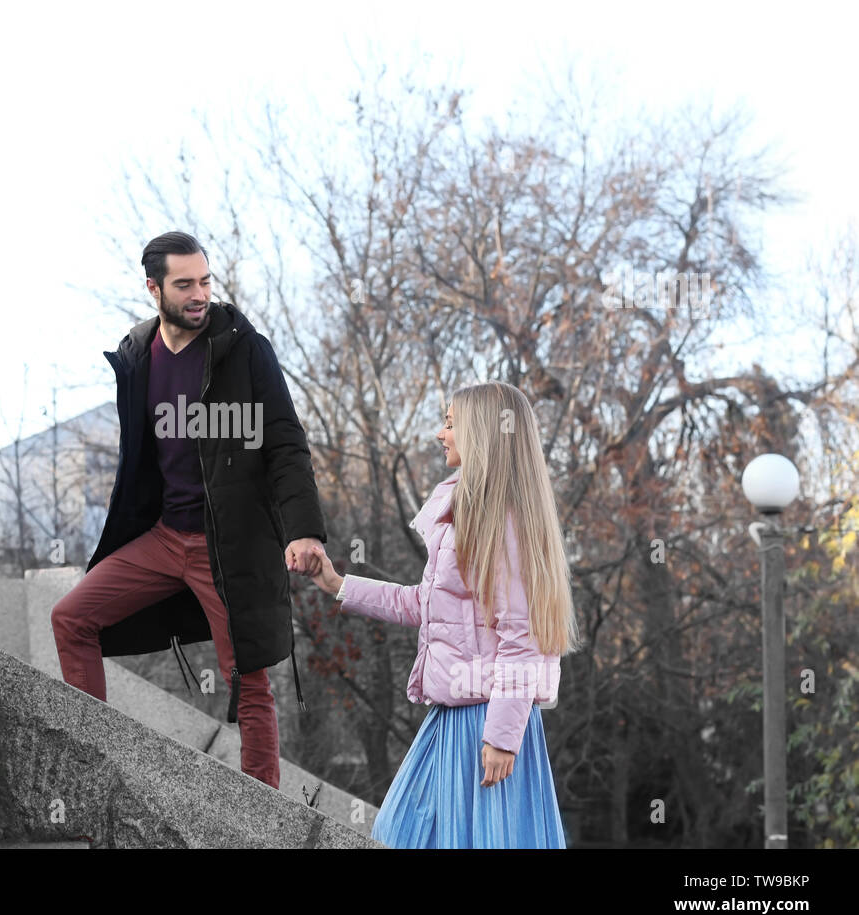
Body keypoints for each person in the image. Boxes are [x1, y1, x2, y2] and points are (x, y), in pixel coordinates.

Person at [51, 231, 328, 789]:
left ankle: (264, 818)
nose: (200, 293)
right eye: (185, 284)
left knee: (248, 679)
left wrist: (304, 532)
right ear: (154, 288)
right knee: (70, 618)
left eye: (205, 280)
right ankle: (95, 776)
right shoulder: (137, 354)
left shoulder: (243, 348)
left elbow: (285, 444)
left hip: (227, 546)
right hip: (161, 539)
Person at [308, 380, 580, 846]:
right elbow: (425, 603)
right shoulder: (463, 512)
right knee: (401, 832)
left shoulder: (505, 523)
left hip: (488, 722)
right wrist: (338, 585)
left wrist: (501, 736)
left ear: (483, 433)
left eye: (451, 424)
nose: (441, 434)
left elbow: (524, 635)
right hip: (451, 718)